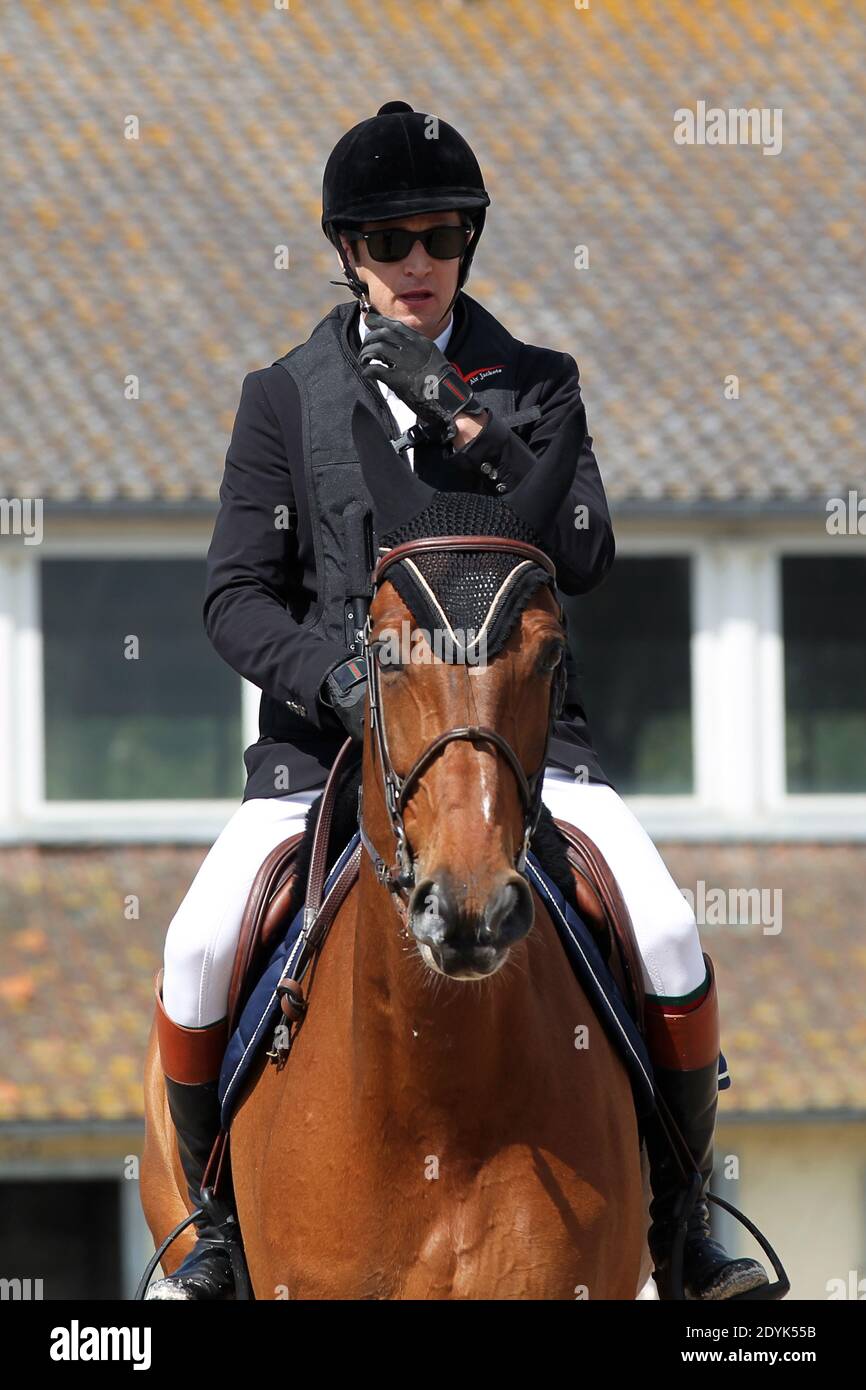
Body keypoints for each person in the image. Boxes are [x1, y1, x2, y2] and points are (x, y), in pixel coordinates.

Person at [147, 101, 769, 1301]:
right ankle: (207, 1240)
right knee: (196, 943)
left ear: (466, 244)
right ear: (347, 252)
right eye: (390, 242)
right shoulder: (282, 398)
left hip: (525, 749)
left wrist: (472, 424)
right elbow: (233, 596)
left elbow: (582, 548)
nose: (417, 262)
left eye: (439, 236)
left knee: (673, 933)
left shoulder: (537, 383)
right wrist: (335, 680)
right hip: (324, 755)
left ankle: (687, 1233)